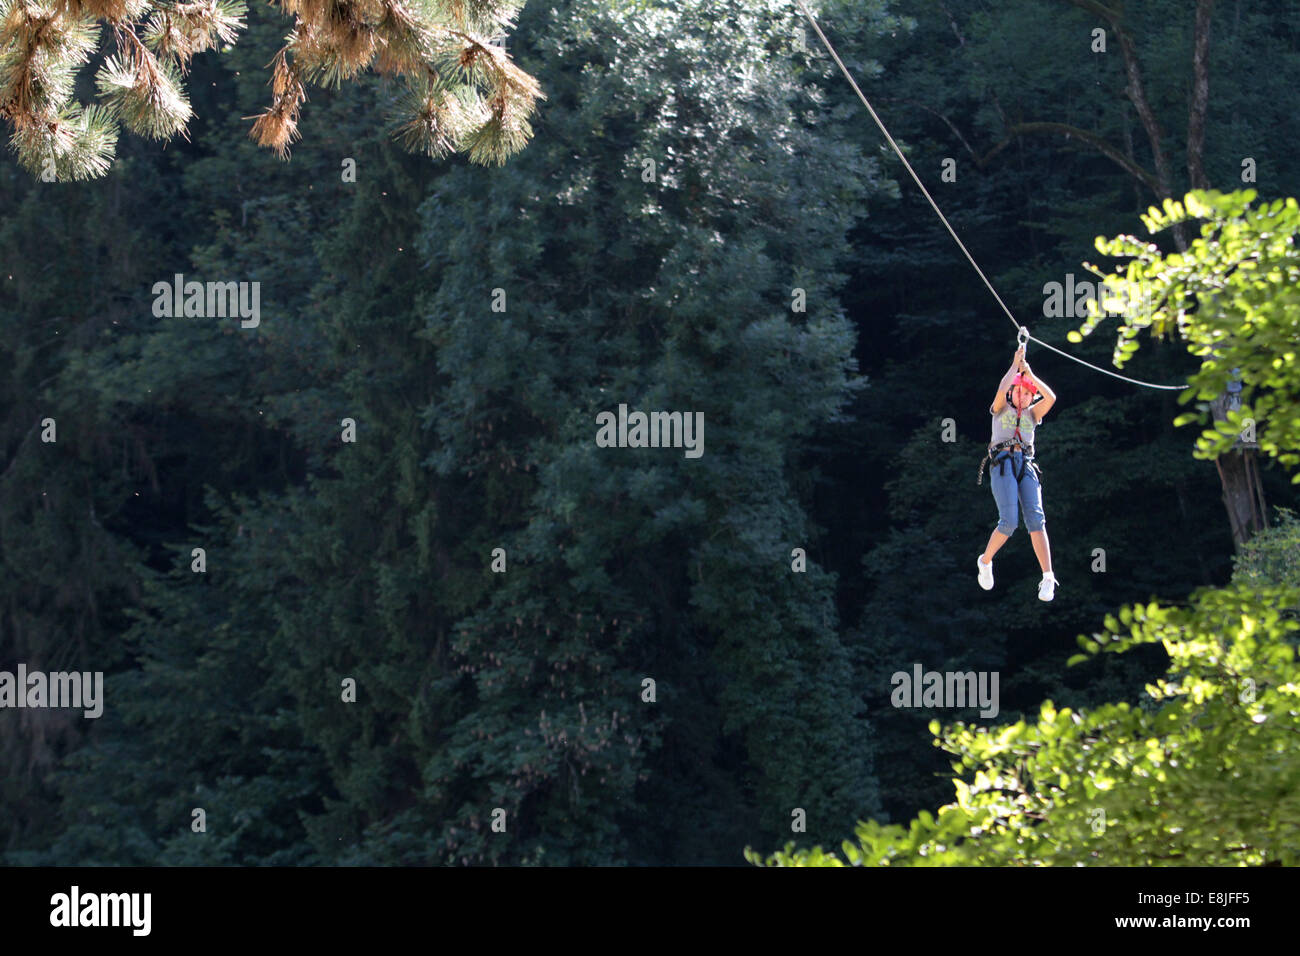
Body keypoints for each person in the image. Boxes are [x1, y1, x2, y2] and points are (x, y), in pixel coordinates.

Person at [977, 346, 1059, 600]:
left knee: (1036, 519)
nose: (1024, 397)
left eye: (1027, 394)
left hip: (1025, 463)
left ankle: (1048, 577)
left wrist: (1030, 375)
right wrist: (1015, 365)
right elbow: (1002, 390)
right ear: (1013, 392)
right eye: (1020, 391)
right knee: (1009, 522)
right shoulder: (1001, 409)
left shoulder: (1033, 414)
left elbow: (1051, 398)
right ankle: (986, 561)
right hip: (1003, 462)